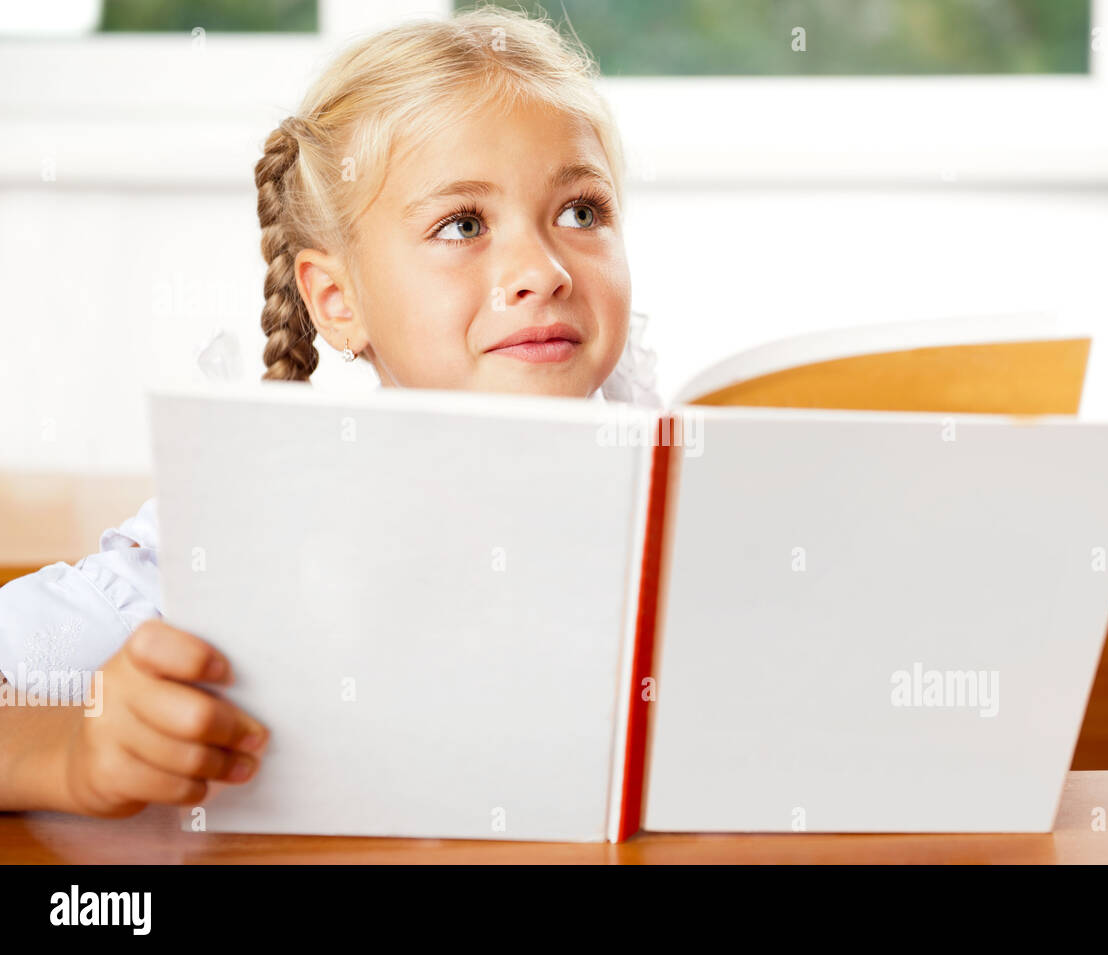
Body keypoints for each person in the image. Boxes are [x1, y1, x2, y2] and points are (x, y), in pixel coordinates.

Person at [0, 6, 660, 817]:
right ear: (338, 301)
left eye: (581, 212)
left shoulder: (678, 499)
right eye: (463, 224)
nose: (542, 268)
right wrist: (72, 751)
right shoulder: (247, 524)